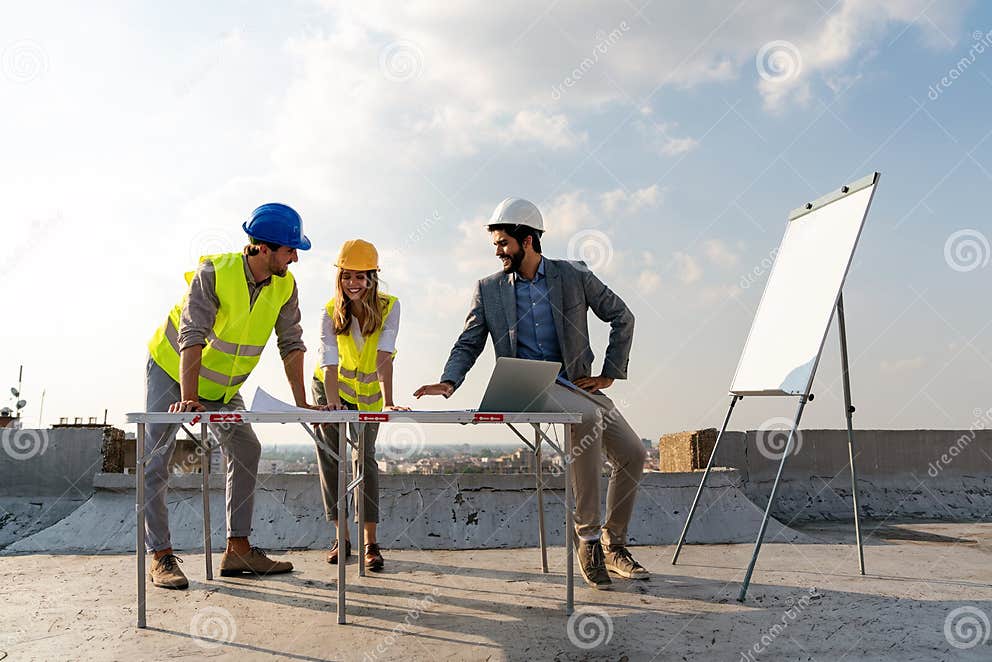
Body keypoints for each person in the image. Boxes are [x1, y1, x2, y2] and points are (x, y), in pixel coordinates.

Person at [414, 198, 648, 590]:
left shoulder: (573, 275)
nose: (498, 252)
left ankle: (614, 544)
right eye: (495, 245)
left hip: (574, 385)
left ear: (527, 240)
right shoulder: (489, 289)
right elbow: (469, 341)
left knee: (633, 453)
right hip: (521, 386)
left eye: (503, 243)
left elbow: (622, 316)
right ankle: (588, 538)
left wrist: (610, 373)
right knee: (587, 417)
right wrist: (449, 381)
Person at [143, 202, 317, 589]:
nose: (295, 258)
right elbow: (192, 334)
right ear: (264, 248)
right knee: (156, 459)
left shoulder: (285, 286)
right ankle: (160, 556)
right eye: (291, 250)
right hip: (172, 369)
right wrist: (189, 396)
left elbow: (291, 344)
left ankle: (237, 549)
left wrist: (302, 402)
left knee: (246, 447)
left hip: (223, 387)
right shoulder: (214, 273)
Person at [312, 239, 405, 572]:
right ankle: (342, 538)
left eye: (360, 276)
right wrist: (333, 405)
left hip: (369, 394)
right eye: (346, 276)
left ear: (372, 278)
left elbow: (384, 355)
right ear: (339, 277)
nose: (353, 283)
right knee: (331, 457)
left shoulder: (390, 306)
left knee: (364, 459)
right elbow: (329, 362)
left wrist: (389, 402)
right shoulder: (329, 311)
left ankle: (370, 542)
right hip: (330, 389)